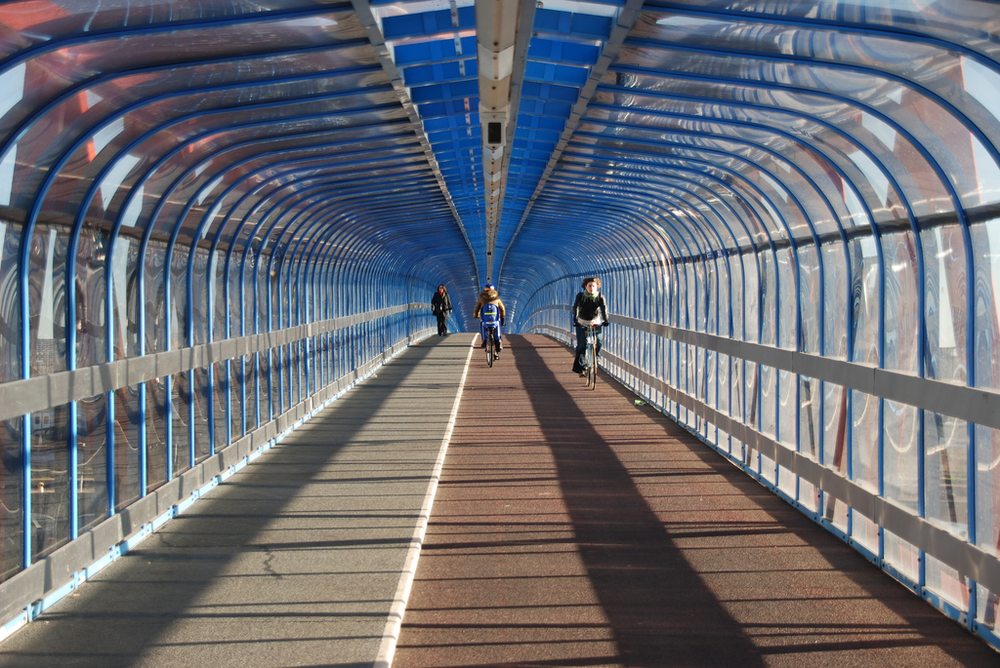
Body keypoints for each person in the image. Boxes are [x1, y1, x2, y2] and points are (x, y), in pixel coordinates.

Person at [571, 276, 609, 376]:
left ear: (597, 286)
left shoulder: (600, 297)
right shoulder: (580, 296)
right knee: (582, 345)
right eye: (589, 286)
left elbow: (603, 309)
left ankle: (596, 358)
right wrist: (575, 320)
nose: (591, 288)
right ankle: (582, 368)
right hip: (582, 321)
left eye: (593, 285)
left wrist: (605, 320)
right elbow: (575, 308)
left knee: (599, 341)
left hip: (595, 321)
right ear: (585, 286)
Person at [473, 283, 506, 354]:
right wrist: (502, 317)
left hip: (485, 320)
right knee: (498, 325)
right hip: (495, 320)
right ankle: (498, 343)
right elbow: (502, 309)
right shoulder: (497, 298)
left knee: (482, 323)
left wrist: (476, 315)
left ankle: (484, 341)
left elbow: (477, 308)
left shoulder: (481, 298)